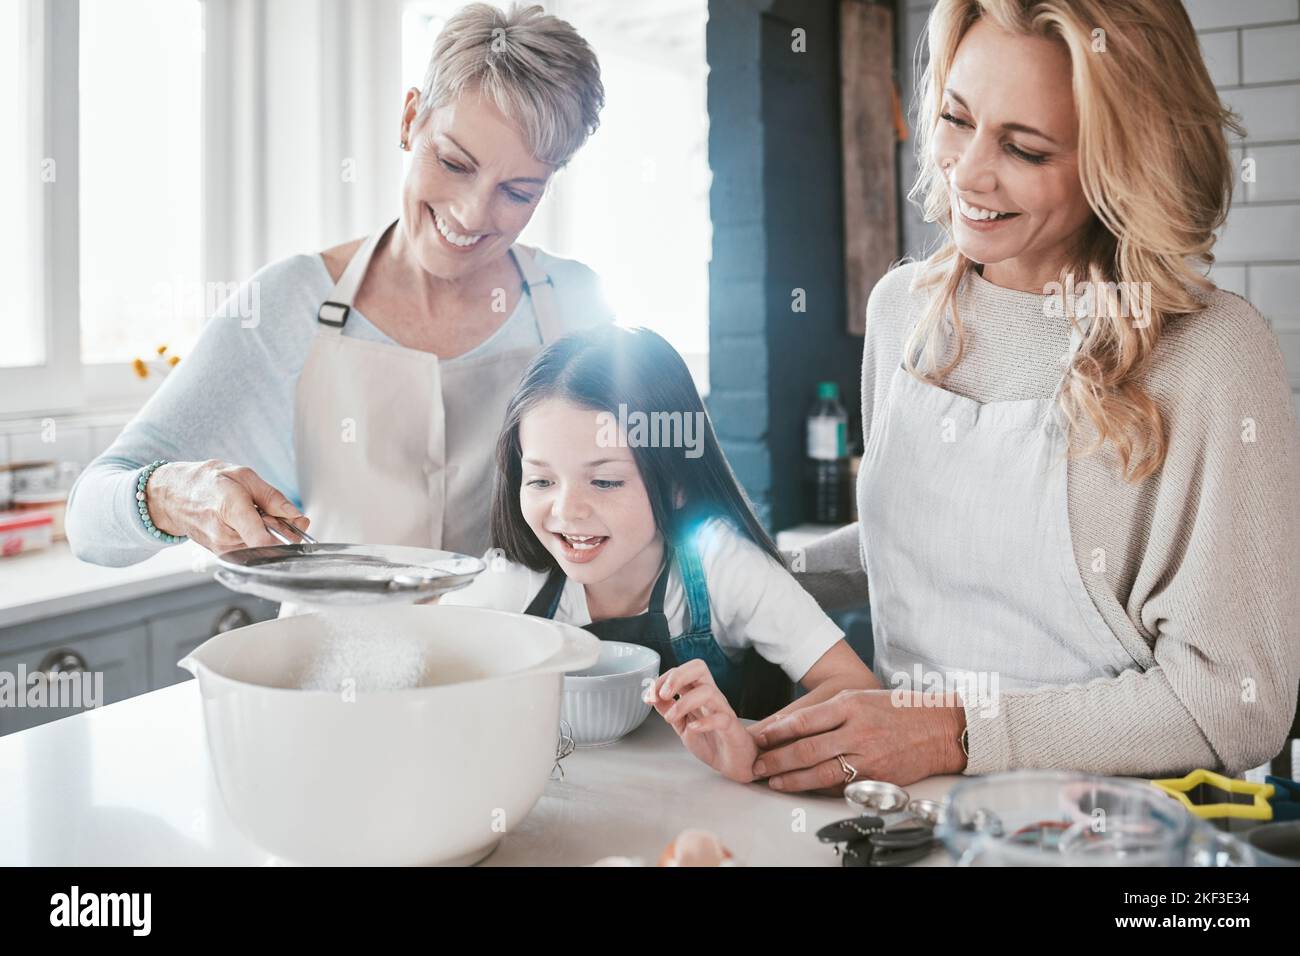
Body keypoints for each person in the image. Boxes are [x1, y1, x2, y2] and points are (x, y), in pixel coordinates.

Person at [756, 0, 1300, 792]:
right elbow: (909, 554)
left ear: (1120, 162)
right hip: (888, 813)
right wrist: (737, 571)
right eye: (955, 117)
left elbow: (1231, 703)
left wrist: (957, 733)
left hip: (1101, 836)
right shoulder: (902, 310)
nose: (968, 171)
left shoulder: (1210, 354)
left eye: (1025, 148)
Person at [66, 3, 611, 596]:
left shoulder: (574, 304)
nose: (472, 213)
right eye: (454, 163)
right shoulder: (289, 305)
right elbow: (88, 520)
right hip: (336, 671)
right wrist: (170, 494)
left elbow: (656, 502)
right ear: (410, 120)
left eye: (518, 191)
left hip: (525, 677)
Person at [440, 325, 879, 776]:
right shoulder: (515, 578)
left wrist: (753, 743)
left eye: (605, 481)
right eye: (541, 481)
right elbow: (428, 654)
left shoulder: (721, 563)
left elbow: (856, 688)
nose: (567, 511)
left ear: (676, 484)